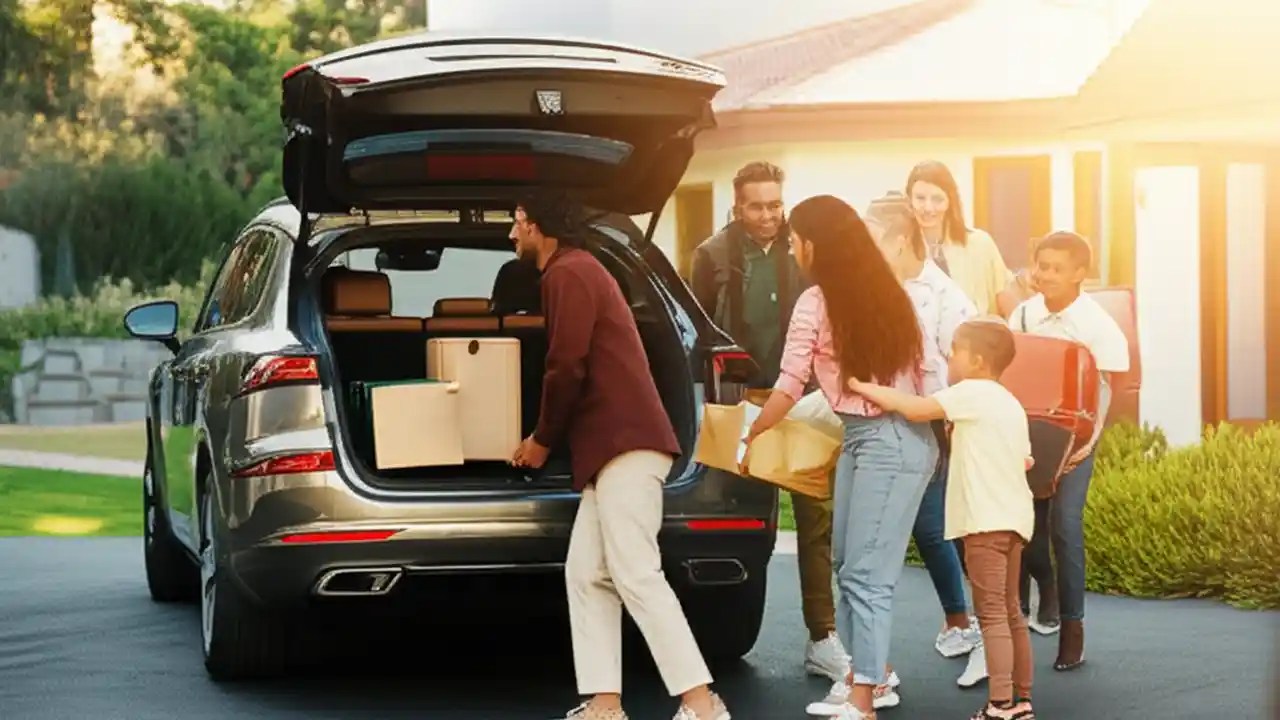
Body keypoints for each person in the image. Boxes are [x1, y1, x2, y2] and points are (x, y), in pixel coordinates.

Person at [508, 190, 730, 720]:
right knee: (586, 572)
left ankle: (703, 704)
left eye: (517, 221)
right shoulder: (577, 270)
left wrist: (541, 439)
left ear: (540, 227)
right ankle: (605, 705)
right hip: (610, 452)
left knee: (636, 573)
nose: (512, 234)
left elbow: (566, 366)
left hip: (626, 446)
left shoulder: (567, 273)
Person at [745, 195, 937, 720]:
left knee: (865, 575)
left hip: (884, 442)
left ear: (814, 244)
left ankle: (864, 697)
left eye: (793, 239)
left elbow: (788, 383)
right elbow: (931, 376)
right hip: (883, 439)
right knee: (849, 565)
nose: (789, 248)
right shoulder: (891, 296)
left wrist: (752, 431)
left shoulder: (816, 302)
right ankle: (870, 677)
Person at [689, 161, 847, 683]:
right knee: (727, 523)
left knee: (815, 521)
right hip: (741, 401)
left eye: (775, 205)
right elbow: (699, 336)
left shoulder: (804, 251)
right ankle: (707, 641)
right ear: (737, 207)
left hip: (802, 400)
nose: (768, 216)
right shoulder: (711, 255)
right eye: (756, 206)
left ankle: (822, 637)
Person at [849, 319, 1037, 720]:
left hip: (984, 521)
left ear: (978, 361)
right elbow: (1025, 459)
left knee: (990, 614)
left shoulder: (971, 392)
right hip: (1015, 519)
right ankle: (1022, 700)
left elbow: (917, 410)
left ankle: (1000, 704)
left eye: (954, 352)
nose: (948, 359)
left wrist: (863, 387)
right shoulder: (1009, 403)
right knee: (1011, 611)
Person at [864, 204, 985, 692]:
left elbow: (968, 369)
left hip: (930, 421)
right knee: (931, 526)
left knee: (935, 527)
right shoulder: (881, 289)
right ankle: (960, 623)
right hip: (890, 418)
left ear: (896, 241)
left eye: (872, 242)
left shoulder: (947, 298)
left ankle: (970, 628)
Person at [1008, 230, 1130, 672]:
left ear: (1081, 273)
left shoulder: (1098, 326)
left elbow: (1105, 399)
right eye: (1041, 266)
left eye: (1058, 269)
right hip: (1029, 437)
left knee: (1064, 525)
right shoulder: (1022, 315)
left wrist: (1080, 452)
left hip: (1078, 442)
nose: (1046, 276)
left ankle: (1073, 629)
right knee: (1024, 529)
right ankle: (1016, 619)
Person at [905, 161, 1012, 316]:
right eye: (920, 198)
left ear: (950, 201)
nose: (928, 208)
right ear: (909, 200)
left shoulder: (980, 244)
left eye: (937, 199)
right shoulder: (902, 250)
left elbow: (1005, 299)